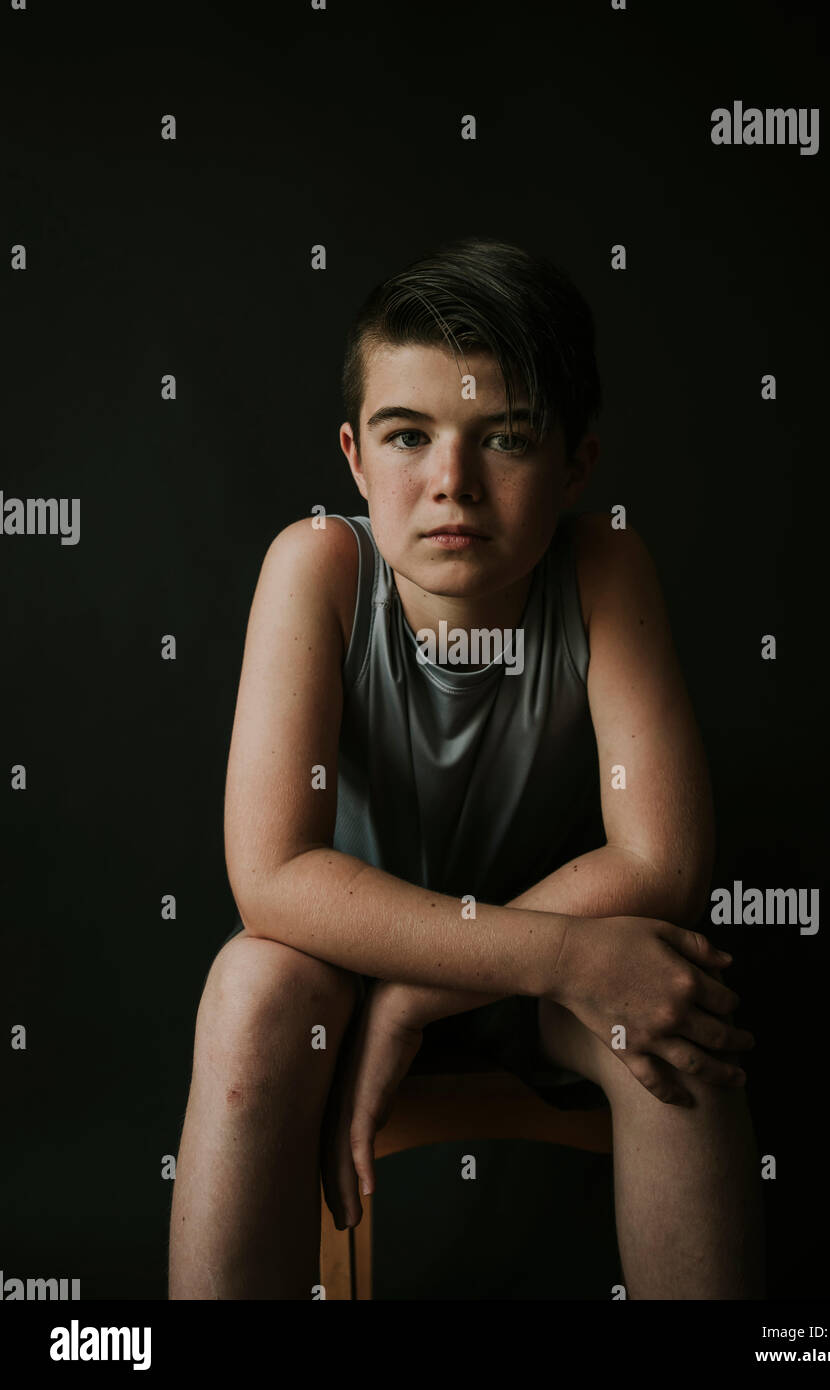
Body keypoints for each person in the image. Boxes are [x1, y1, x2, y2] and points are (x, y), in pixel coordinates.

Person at [168, 237, 765, 1299]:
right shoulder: (317, 567)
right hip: (349, 973)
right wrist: (389, 988)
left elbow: (663, 861)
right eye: (409, 436)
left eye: (504, 439)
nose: (452, 484)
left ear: (575, 463)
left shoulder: (603, 568)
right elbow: (272, 877)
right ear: (354, 458)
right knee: (249, 984)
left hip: (547, 976)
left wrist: (418, 997)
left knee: (670, 1010)